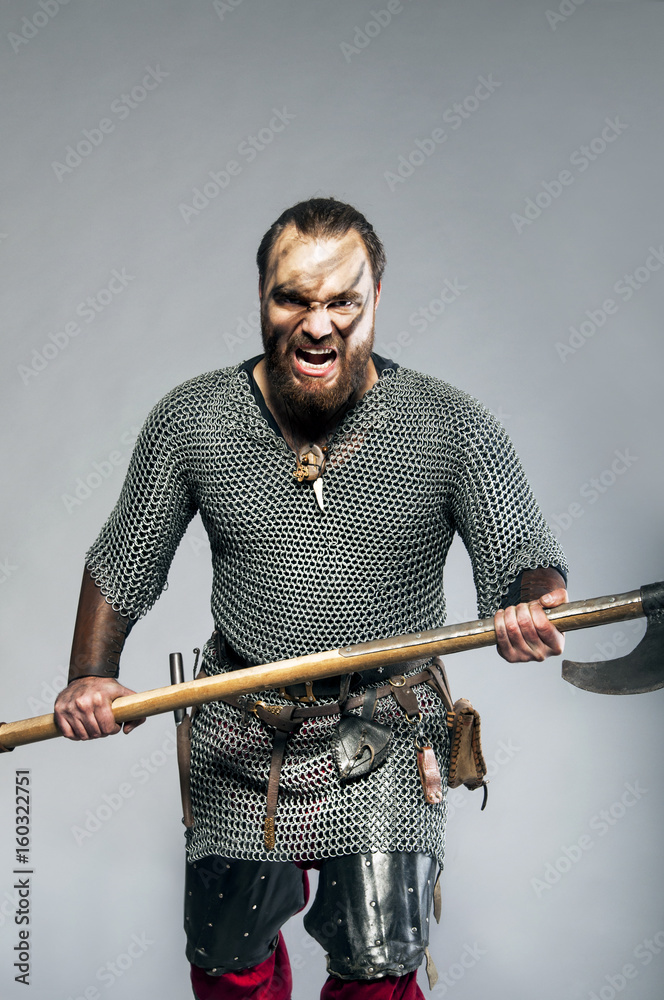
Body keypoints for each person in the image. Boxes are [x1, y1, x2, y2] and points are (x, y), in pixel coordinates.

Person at [54, 198, 568, 999]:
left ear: (377, 300)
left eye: (341, 302)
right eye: (293, 298)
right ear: (262, 296)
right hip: (240, 722)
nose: (316, 326)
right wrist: (90, 672)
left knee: (377, 963)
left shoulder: (448, 424)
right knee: (227, 961)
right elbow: (123, 560)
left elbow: (526, 561)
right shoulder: (194, 421)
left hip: (386, 729)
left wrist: (532, 604)